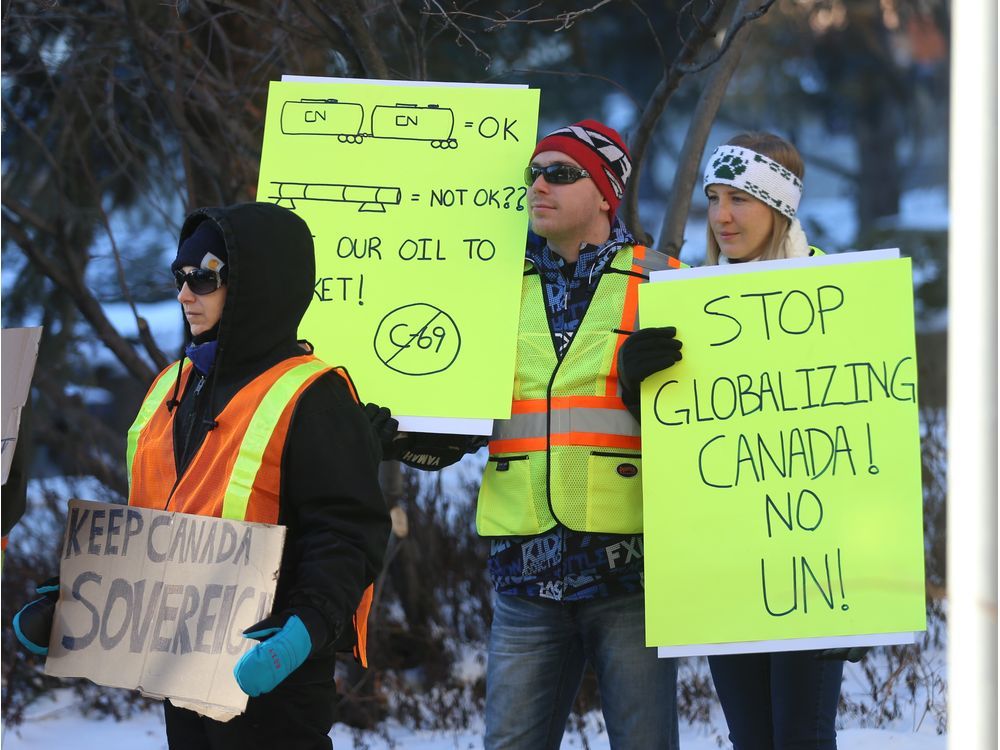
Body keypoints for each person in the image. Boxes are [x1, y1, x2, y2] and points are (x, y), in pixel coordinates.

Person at [14, 202, 391, 750]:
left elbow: (346, 532)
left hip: (270, 670)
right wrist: (77, 594)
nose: (185, 294)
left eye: (204, 278)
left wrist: (305, 627)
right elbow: (153, 521)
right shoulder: (174, 383)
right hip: (180, 659)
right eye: (180, 277)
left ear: (259, 285)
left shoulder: (315, 395)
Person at [370, 120, 686, 749]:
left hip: (632, 576)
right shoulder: (491, 288)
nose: (538, 185)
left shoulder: (667, 282)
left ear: (606, 193)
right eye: (533, 174)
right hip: (525, 575)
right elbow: (459, 421)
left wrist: (642, 393)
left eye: (560, 174)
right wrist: (401, 435)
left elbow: (709, 435)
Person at [701, 132, 867, 750]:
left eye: (740, 199)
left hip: (812, 557)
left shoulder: (836, 294)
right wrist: (642, 385)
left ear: (780, 206)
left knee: (800, 737)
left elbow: (866, 437)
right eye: (713, 198)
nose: (721, 216)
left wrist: (866, 577)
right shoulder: (692, 298)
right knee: (750, 738)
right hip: (725, 558)